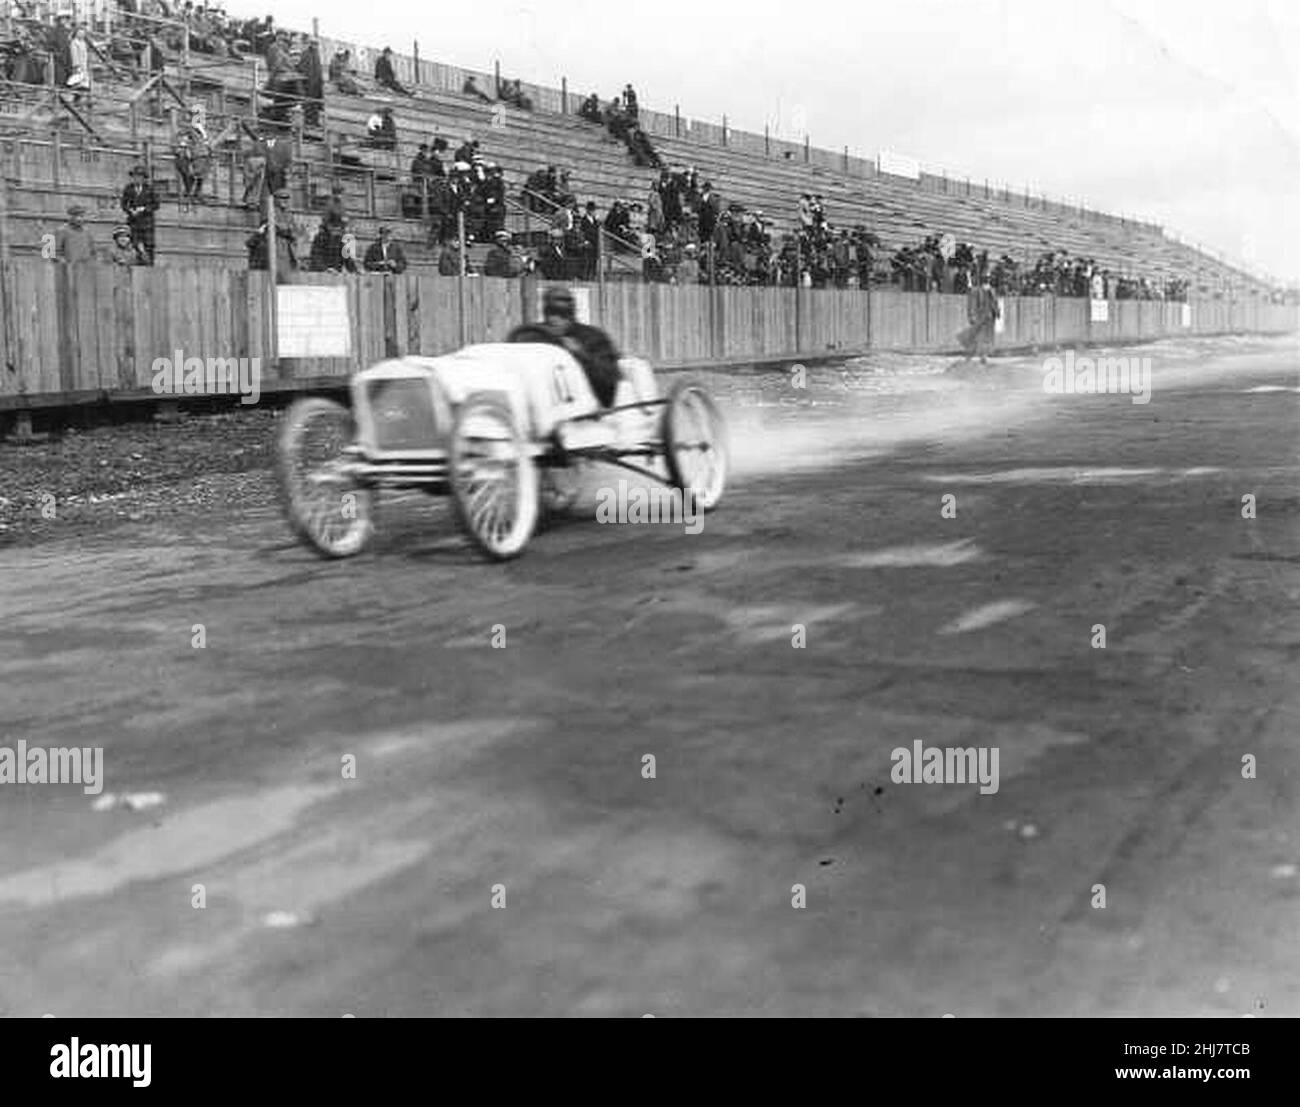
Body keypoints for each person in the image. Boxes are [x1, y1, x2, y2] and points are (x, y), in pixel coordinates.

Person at [507, 286, 622, 409]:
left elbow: (610, 382)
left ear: (572, 313)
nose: (557, 319)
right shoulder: (529, 337)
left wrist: (580, 354)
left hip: (585, 411)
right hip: (534, 407)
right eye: (552, 313)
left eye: (563, 314)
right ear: (545, 312)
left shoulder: (594, 338)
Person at [120, 165, 159, 265]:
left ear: (143, 178)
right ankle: (136, 263)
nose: (137, 179)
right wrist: (130, 210)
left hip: (147, 222)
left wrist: (144, 209)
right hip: (134, 221)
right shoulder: (128, 189)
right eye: (135, 176)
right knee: (134, 243)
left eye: (139, 176)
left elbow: (156, 204)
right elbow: (124, 204)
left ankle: (149, 264)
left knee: (149, 246)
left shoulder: (149, 189)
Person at [962, 272, 999, 363]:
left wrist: (997, 312)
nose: (987, 280)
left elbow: (994, 303)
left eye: (988, 278)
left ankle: (983, 357)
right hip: (980, 317)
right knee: (976, 338)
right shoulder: (976, 291)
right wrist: (972, 316)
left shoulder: (991, 290)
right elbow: (972, 305)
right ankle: (969, 357)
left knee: (986, 338)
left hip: (989, 318)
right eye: (986, 278)